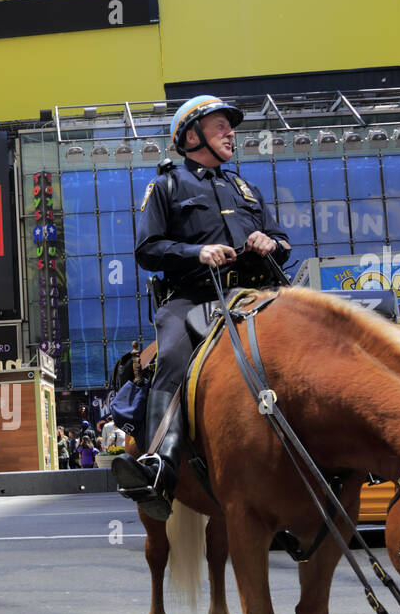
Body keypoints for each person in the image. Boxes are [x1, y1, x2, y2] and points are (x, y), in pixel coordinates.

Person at [111, 95, 291, 520]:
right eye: (220, 126)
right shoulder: (166, 186)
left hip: (255, 295)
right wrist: (197, 252)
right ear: (192, 136)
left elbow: (282, 242)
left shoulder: (246, 189)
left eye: (231, 127)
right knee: (172, 352)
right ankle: (160, 464)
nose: (231, 133)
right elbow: (147, 249)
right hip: (192, 300)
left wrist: (270, 244)